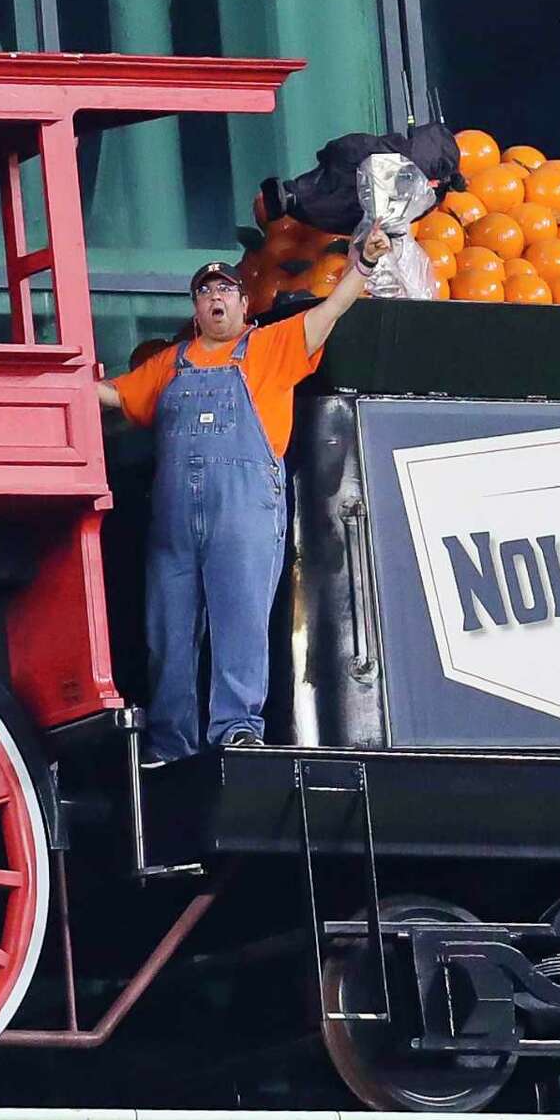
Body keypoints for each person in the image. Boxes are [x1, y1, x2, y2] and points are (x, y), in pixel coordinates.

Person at [98, 223, 392, 765]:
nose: (216, 298)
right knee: (168, 631)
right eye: (206, 291)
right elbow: (115, 395)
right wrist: (57, 382)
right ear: (195, 307)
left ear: (243, 305)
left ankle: (236, 729)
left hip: (244, 512)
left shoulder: (270, 347)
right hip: (173, 521)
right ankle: (170, 745)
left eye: (226, 290)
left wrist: (364, 266)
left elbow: (331, 311)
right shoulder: (167, 364)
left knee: (241, 621)